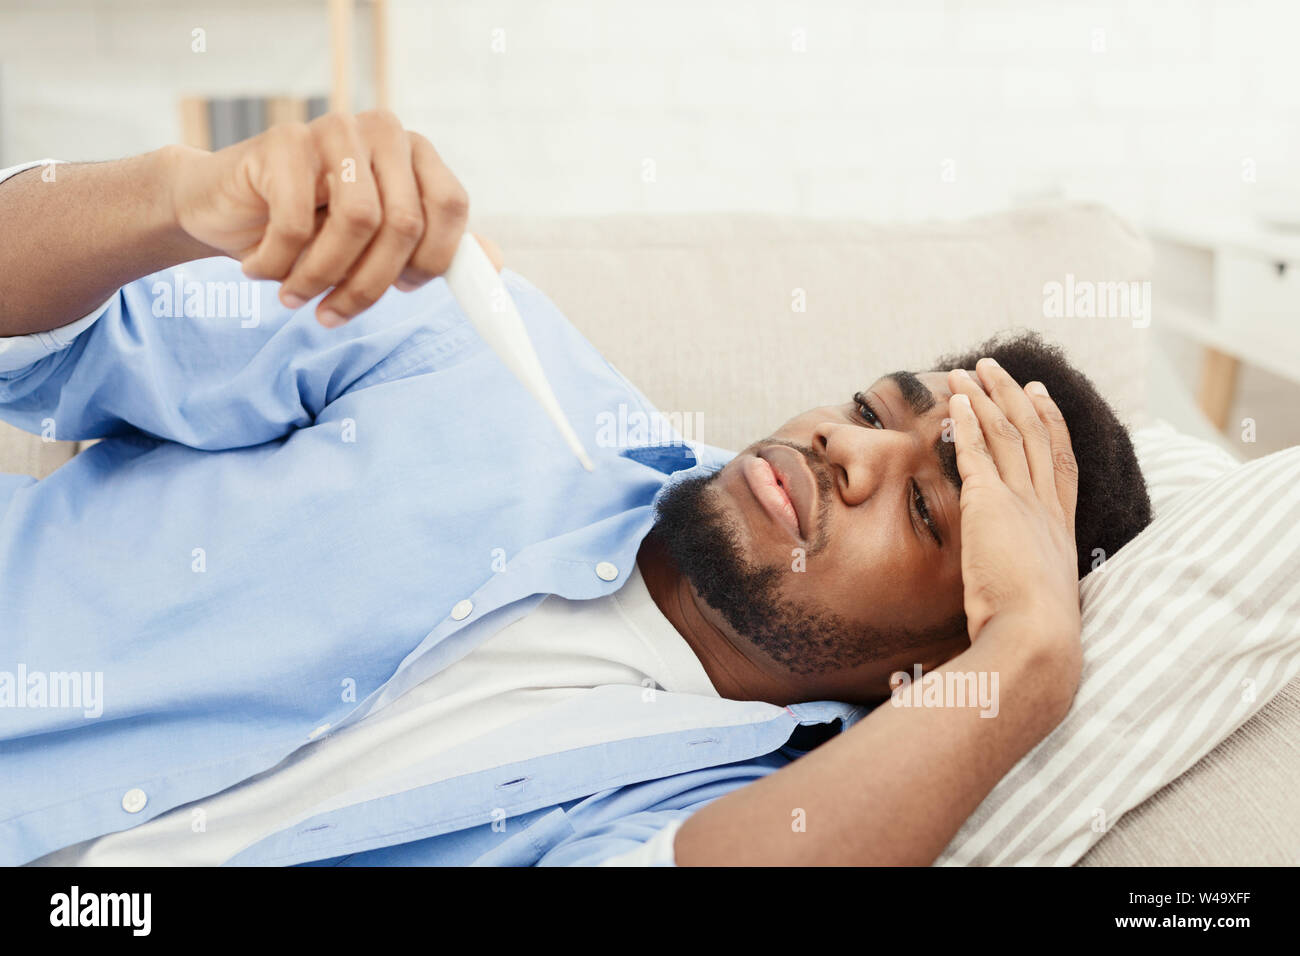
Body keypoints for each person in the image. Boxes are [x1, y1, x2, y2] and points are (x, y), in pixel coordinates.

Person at [0, 111, 1150, 867]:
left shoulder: (739, 805)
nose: (843, 451)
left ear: (933, 667)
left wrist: (1028, 660)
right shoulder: (468, 348)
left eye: (923, 510)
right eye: (870, 409)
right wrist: (181, 194)